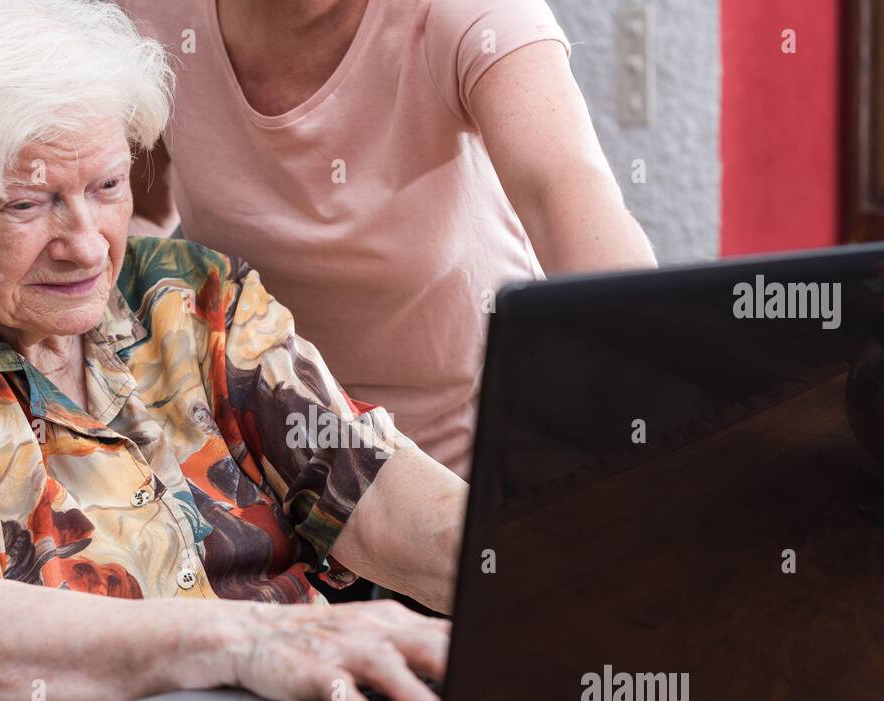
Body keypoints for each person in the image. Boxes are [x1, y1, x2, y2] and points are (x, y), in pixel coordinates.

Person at [0, 0, 466, 701]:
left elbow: (371, 491)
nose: (87, 247)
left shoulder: (192, 301)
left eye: (108, 187)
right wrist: (252, 643)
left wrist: (547, 563)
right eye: (28, 203)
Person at [122, 0, 658, 482]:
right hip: (263, 480)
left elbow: (562, 189)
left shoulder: (468, 15)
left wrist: (655, 393)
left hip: (472, 476)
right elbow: (136, 206)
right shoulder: (153, 15)